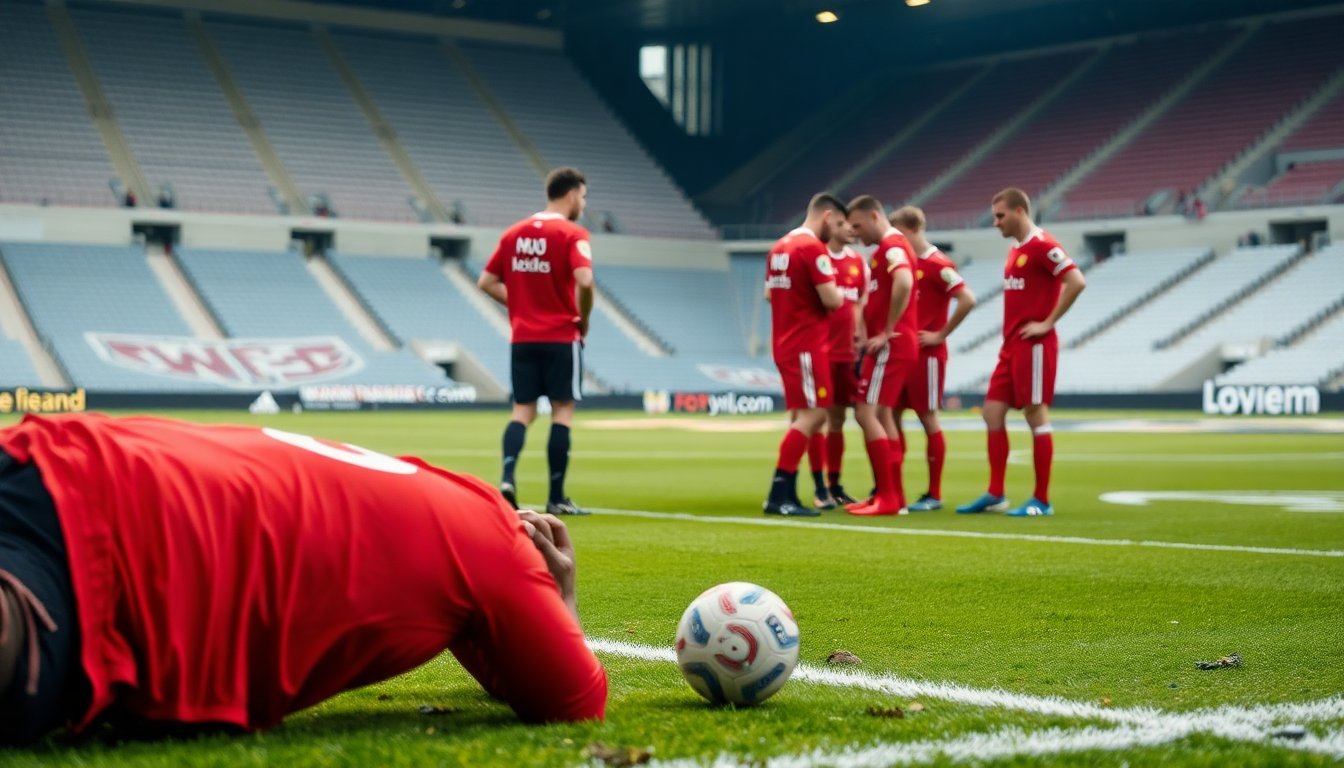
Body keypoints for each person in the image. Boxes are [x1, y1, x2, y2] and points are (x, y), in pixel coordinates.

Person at [0, 413, 607, 745]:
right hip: (110, 554)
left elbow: (502, 668)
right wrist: (565, 600)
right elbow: (573, 700)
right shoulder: (502, 553)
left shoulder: (439, 493)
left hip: (62, 453)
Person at [956, 188, 1086, 518]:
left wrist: (1047, 322)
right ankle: (995, 493)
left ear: (1019, 212)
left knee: (1035, 414)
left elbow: (1076, 281)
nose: (995, 222)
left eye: (1000, 216)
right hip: (1010, 347)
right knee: (991, 413)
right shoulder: (1015, 251)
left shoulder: (1043, 245)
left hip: (1035, 346)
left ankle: (1042, 499)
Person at [479, 167, 594, 516]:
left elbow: (486, 281)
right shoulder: (573, 233)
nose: (584, 205)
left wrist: (522, 303)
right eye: (584, 197)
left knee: (522, 411)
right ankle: (556, 497)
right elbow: (585, 281)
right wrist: (583, 319)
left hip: (523, 338)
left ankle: (507, 479)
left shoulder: (514, 233)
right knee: (562, 411)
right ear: (572, 194)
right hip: (561, 335)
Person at [762, 193, 846, 517]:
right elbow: (833, 300)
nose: (837, 231)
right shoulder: (812, 248)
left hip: (785, 342)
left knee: (801, 416)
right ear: (826, 216)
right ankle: (778, 492)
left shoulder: (779, 246)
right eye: (837, 223)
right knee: (815, 416)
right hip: (806, 345)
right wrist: (835, 290)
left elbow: (770, 294)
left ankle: (788, 494)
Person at [889, 206, 976, 511]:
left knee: (927, 418)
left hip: (926, 355)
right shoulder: (903, 264)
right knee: (891, 417)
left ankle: (934, 494)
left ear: (912, 230)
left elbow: (967, 298)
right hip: (900, 352)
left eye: (898, 233)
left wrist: (940, 334)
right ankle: (891, 489)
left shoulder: (938, 264)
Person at [844, 195, 918, 517]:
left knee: (865, 414)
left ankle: (886, 498)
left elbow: (904, 279)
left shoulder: (892, 246)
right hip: (895, 343)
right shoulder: (886, 249)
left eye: (858, 226)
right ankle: (893, 496)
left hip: (890, 345)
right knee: (884, 416)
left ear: (875, 216)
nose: (856, 233)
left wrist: (888, 328)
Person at [818, 215, 869, 507]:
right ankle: (817, 486)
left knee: (838, 419)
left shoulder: (857, 261)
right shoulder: (819, 257)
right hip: (821, 351)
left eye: (853, 224)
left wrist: (859, 334)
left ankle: (834, 484)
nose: (851, 229)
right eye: (844, 224)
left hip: (847, 353)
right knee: (815, 419)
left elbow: (860, 302)